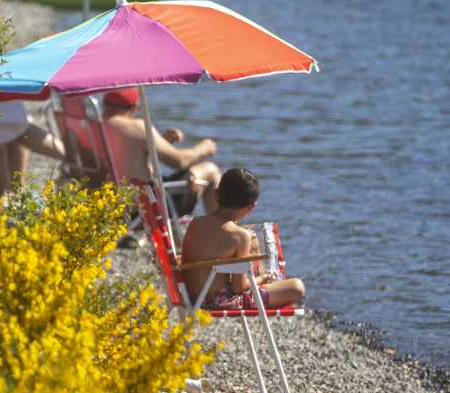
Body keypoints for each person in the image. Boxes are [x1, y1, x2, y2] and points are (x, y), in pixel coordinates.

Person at [180, 168, 305, 312]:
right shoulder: (239, 236)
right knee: (297, 287)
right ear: (251, 207)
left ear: (216, 195)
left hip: (190, 296)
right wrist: (262, 279)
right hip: (216, 302)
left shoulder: (195, 222)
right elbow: (239, 287)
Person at [101, 87, 221, 214]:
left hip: (112, 207)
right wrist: (204, 147)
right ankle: (219, 228)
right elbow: (179, 161)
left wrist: (162, 142)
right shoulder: (136, 127)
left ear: (104, 103)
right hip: (149, 208)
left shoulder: (92, 128)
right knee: (211, 170)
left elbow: (131, 166)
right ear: (134, 107)